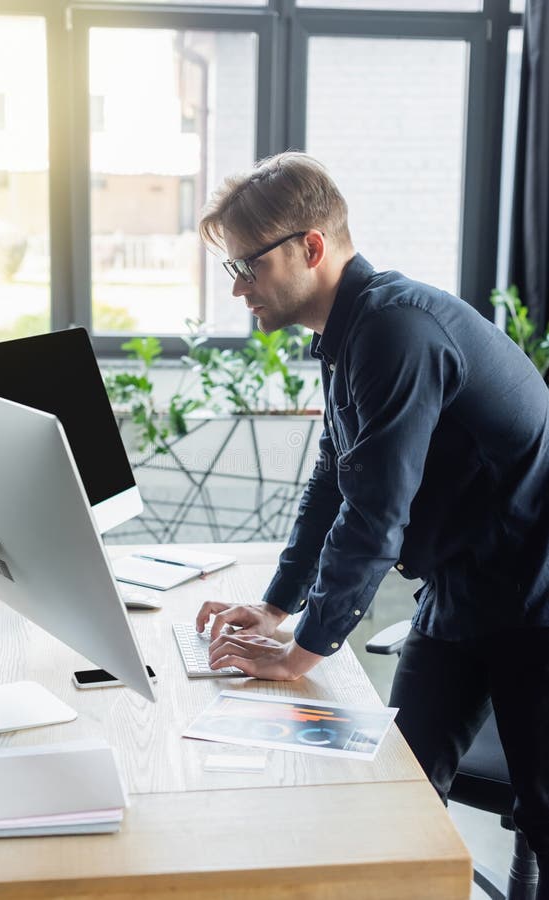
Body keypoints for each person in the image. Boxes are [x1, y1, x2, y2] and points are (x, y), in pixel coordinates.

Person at [194, 150, 549, 896]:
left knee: (543, 818)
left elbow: (375, 511)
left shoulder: (395, 330)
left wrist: (305, 651)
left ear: (310, 248)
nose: (239, 291)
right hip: (466, 584)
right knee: (397, 788)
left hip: (535, 594)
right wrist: (278, 605)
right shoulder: (348, 334)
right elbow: (335, 476)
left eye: (245, 269)